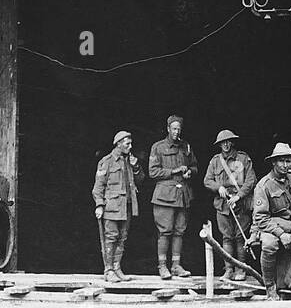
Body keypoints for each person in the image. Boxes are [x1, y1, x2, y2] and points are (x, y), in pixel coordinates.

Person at [148, 114, 199, 279]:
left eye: (179, 129)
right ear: (168, 129)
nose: (177, 132)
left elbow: (195, 166)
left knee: (179, 231)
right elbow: (153, 172)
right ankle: (162, 266)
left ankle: (176, 265)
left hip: (183, 196)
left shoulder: (186, 146)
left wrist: (190, 172)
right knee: (165, 231)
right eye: (174, 128)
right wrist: (174, 171)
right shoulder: (158, 147)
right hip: (164, 196)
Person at [203, 129, 256, 281]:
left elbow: (251, 180)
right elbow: (207, 180)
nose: (225, 145)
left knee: (240, 237)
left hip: (241, 205)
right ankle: (228, 269)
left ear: (232, 142)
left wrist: (239, 196)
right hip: (223, 205)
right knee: (226, 238)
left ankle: (241, 269)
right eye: (222, 142)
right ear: (219, 144)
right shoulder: (215, 161)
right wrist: (218, 187)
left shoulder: (243, 159)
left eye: (228, 141)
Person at [251, 143, 291, 300]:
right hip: (272, 226)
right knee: (269, 245)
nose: (286, 165)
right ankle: (270, 286)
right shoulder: (263, 185)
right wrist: (281, 234)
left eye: (288, 161)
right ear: (273, 162)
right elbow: (260, 218)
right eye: (282, 161)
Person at [92, 130, 142, 283]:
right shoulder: (106, 161)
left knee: (122, 238)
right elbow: (98, 187)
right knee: (111, 237)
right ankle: (109, 270)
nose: (130, 146)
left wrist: (136, 167)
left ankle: (117, 267)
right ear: (118, 144)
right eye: (127, 144)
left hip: (127, 206)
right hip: (112, 207)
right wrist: (99, 205)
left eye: (130, 143)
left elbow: (140, 180)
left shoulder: (130, 161)